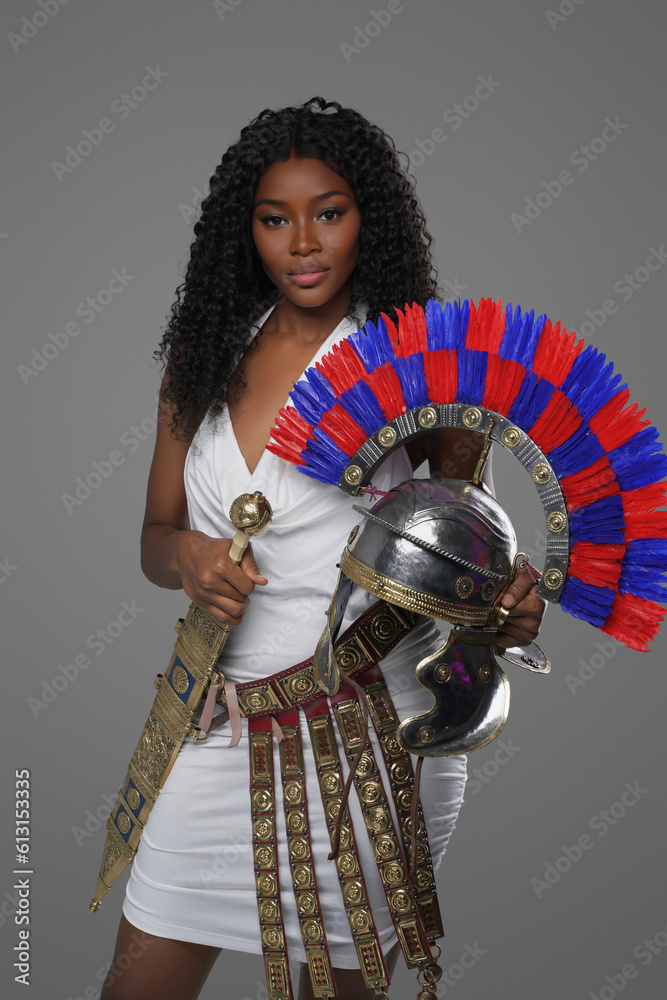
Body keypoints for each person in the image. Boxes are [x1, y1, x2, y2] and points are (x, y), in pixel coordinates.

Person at [100, 96, 544, 1000]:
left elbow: (473, 555)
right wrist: (187, 560)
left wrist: (502, 609)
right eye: (275, 219)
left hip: (369, 736)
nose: (303, 242)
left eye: (328, 213)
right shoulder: (201, 357)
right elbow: (154, 538)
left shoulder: (417, 365)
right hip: (222, 726)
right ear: (246, 231)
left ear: (365, 221)